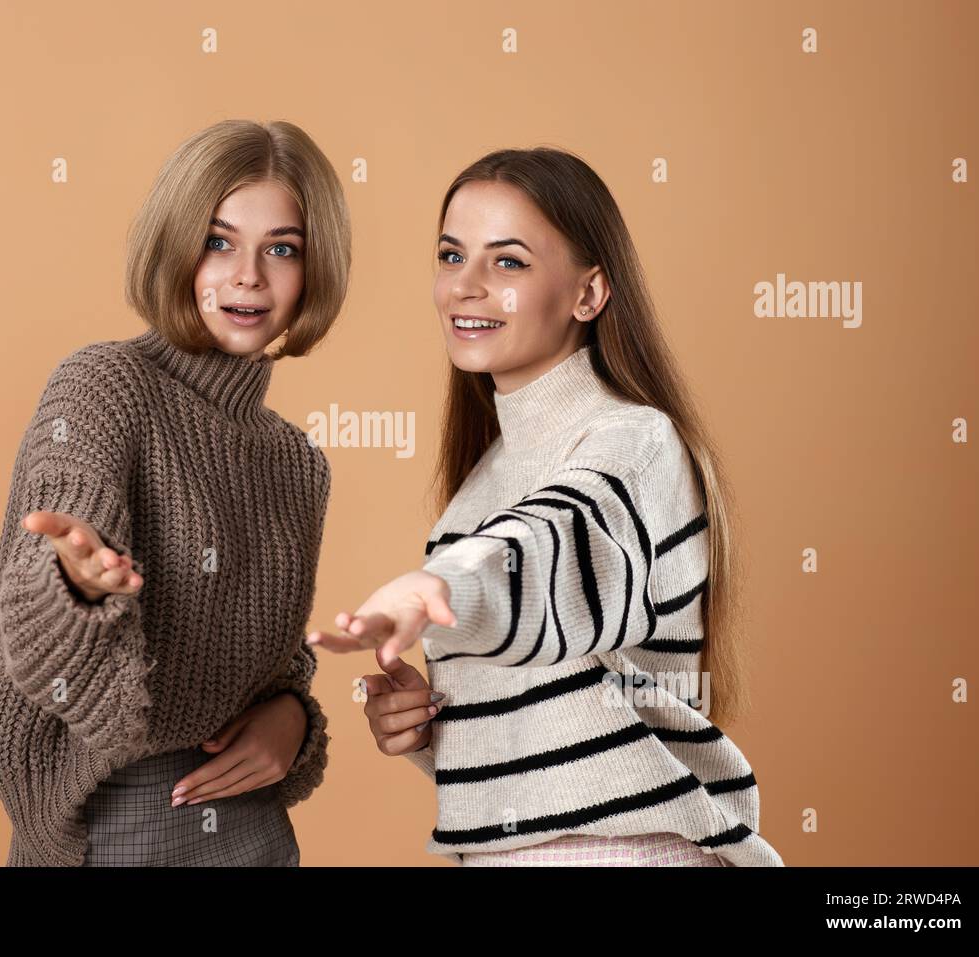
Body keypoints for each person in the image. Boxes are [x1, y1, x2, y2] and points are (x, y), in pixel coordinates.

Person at [309, 146, 782, 867]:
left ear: (588, 294)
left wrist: (438, 585)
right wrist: (430, 728)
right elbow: (559, 740)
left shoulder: (632, 443)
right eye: (450, 255)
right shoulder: (479, 487)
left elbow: (552, 547)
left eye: (508, 262)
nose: (464, 287)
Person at [0, 118, 351, 866]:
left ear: (315, 271)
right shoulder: (102, 387)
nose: (248, 275)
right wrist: (77, 585)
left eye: (282, 248)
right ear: (174, 245)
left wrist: (292, 719)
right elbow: (38, 623)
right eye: (219, 241)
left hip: (253, 827)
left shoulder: (298, 462)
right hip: (116, 819)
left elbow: (271, 666)